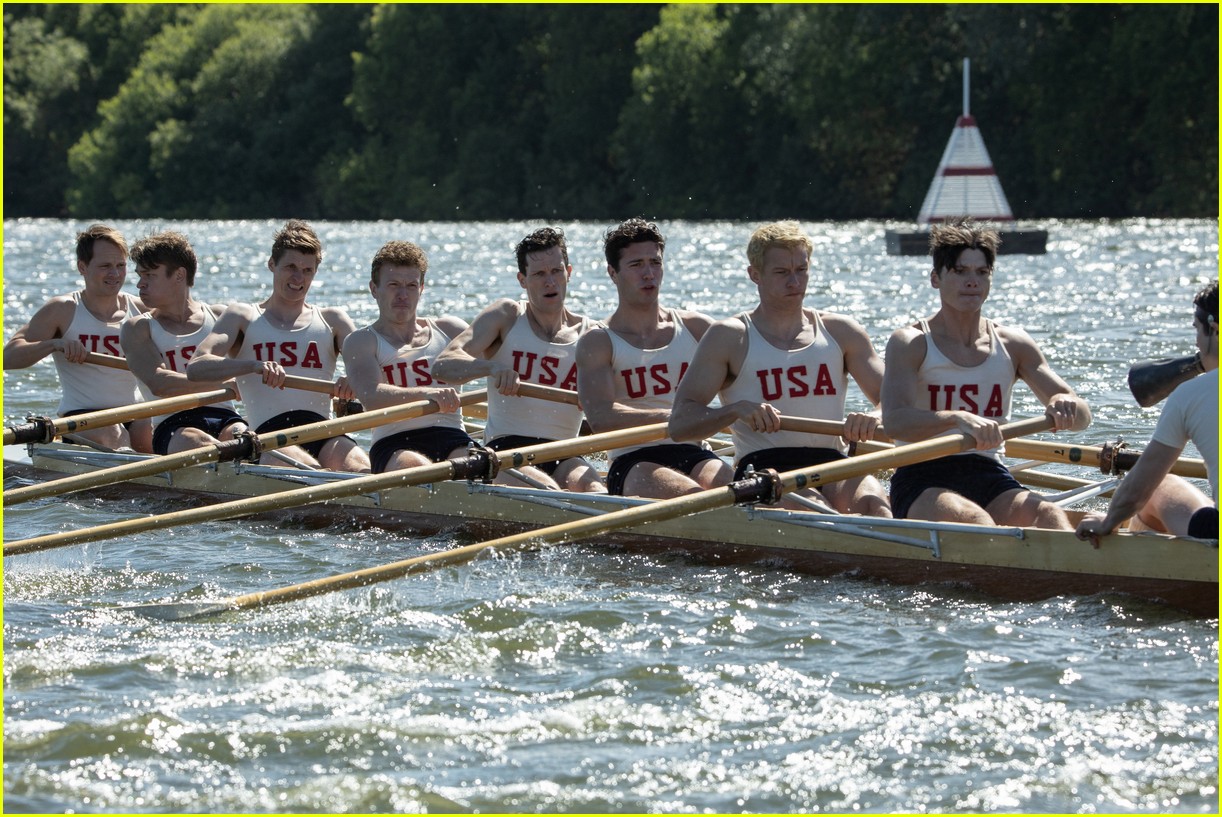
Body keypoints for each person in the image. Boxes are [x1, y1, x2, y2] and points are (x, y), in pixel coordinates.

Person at [669, 221, 890, 515]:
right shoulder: (730, 337)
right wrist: (735, 411)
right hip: (764, 470)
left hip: (832, 462)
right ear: (754, 275)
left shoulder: (841, 331)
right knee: (818, 513)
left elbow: (895, 400)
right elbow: (681, 423)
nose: (795, 283)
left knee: (875, 507)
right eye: (782, 273)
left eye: (801, 270)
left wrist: (873, 417)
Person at [880, 218, 1091, 528]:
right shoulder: (910, 343)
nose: (972, 282)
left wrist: (1064, 404)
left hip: (988, 472)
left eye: (981, 272)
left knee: (1050, 515)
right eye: (961, 272)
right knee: (977, 522)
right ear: (935, 279)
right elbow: (895, 422)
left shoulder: (1013, 343)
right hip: (921, 475)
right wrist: (956, 418)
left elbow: (1084, 418)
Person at [186, 219, 370, 472]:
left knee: (362, 470)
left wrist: (355, 378)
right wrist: (252, 366)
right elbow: (196, 368)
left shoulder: (332, 319)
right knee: (309, 471)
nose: (298, 278)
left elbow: (374, 369)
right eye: (291, 267)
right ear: (272, 265)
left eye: (307, 270)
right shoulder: (242, 316)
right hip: (269, 436)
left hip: (324, 432)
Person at [433, 227, 606, 491]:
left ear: (568, 273)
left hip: (565, 453)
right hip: (505, 451)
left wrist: (598, 400)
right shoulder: (507, 316)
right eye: (539, 274)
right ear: (522, 280)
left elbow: (616, 401)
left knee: (598, 494)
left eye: (556, 271)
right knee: (550, 493)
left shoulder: (591, 334)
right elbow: (443, 366)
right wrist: (491, 368)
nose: (550, 282)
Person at [576, 218, 734, 498]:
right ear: (613, 273)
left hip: (694, 452)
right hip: (633, 460)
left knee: (741, 492)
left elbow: (749, 378)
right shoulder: (598, 341)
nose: (648, 274)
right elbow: (600, 417)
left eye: (655, 263)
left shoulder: (698, 329)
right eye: (636, 265)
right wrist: (674, 417)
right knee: (697, 496)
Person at [1076, 281, 1218, 543]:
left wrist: (1109, 521)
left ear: (1213, 328)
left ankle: (1143, 575)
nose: (1197, 343)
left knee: (1160, 487)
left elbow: (1139, 487)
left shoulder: (1189, 395)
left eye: (1197, 330)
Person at [3, 224, 153, 452]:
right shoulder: (63, 309)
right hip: (82, 418)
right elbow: (8, 357)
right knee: (114, 433)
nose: (115, 274)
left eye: (120, 266)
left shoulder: (142, 310)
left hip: (135, 415)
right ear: (82, 267)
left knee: (153, 431)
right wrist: (55, 344)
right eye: (105, 266)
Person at [341, 240, 476, 474]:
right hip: (395, 444)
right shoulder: (361, 341)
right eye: (393, 285)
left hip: (452, 435)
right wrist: (426, 392)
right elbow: (371, 396)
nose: (403, 295)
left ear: (421, 289)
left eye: (411, 286)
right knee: (422, 470)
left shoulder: (452, 330)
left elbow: (497, 361)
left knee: (475, 468)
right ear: (374, 289)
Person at [120, 231, 248, 455]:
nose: (140, 284)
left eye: (149, 275)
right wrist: (223, 384)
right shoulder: (137, 328)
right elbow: (160, 384)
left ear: (179, 275)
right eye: (140, 276)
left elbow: (261, 361)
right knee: (206, 446)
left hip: (226, 417)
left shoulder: (221, 317)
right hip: (173, 424)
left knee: (246, 439)